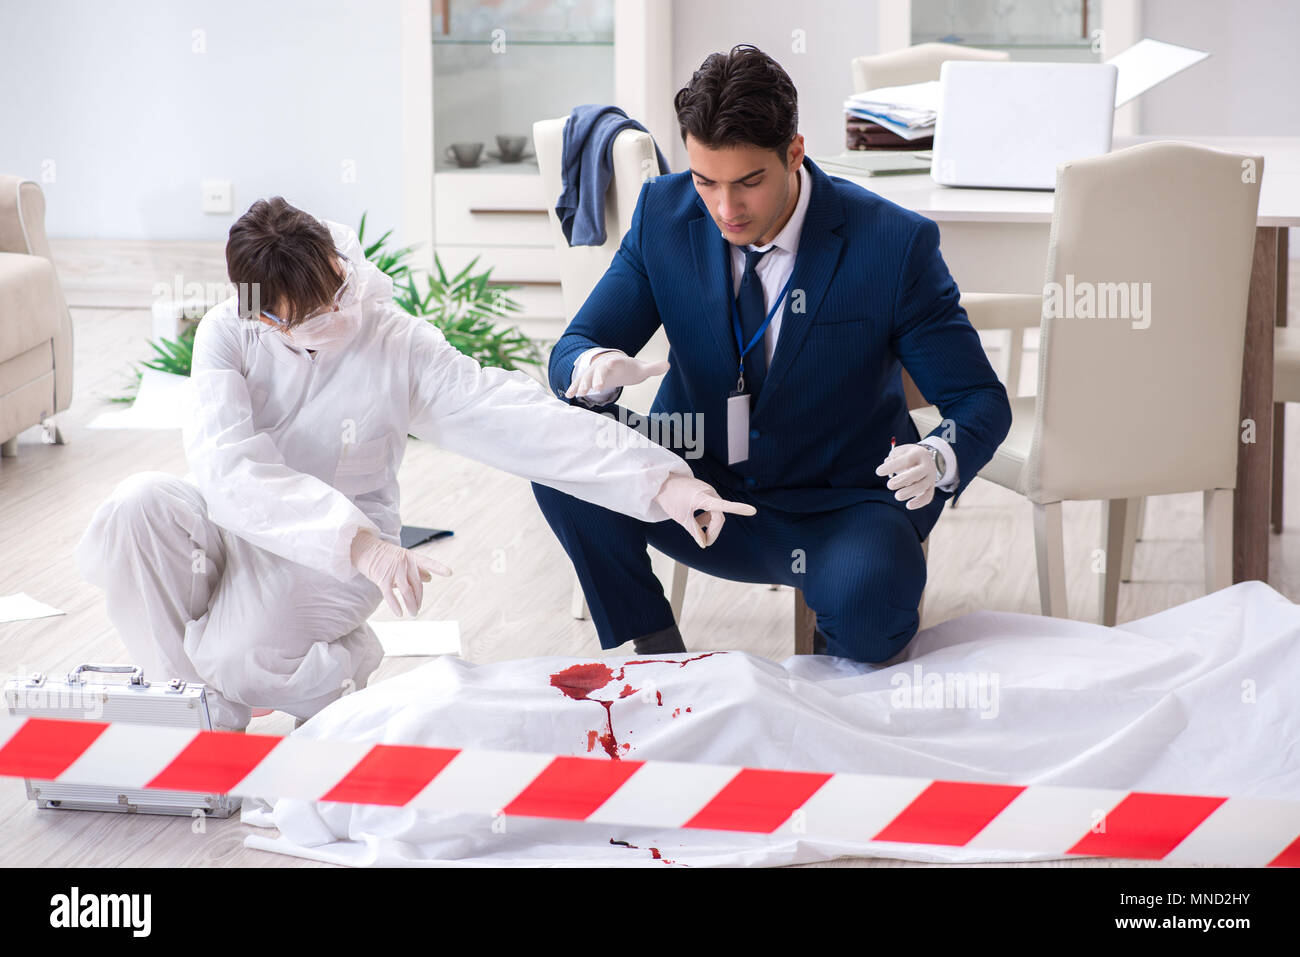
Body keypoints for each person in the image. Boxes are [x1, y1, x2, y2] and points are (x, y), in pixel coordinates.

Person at [74, 197, 753, 730]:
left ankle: (342, 662)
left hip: (339, 560)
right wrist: (353, 543)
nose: (334, 316)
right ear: (265, 319)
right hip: (245, 524)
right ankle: (189, 712)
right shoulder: (229, 333)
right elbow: (226, 469)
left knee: (233, 655)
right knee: (131, 510)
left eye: (335, 292)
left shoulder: (392, 339)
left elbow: (512, 414)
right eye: (307, 316)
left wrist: (658, 479)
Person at [533, 44, 1013, 663]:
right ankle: (654, 653)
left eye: (748, 183)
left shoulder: (894, 243)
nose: (725, 209)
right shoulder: (664, 214)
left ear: (794, 152)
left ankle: (823, 698)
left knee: (872, 619)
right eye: (707, 182)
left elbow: (978, 399)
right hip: (690, 484)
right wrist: (591, 372)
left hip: (840, 503)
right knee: (555, 447)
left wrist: (940, 452)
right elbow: (571, 349)